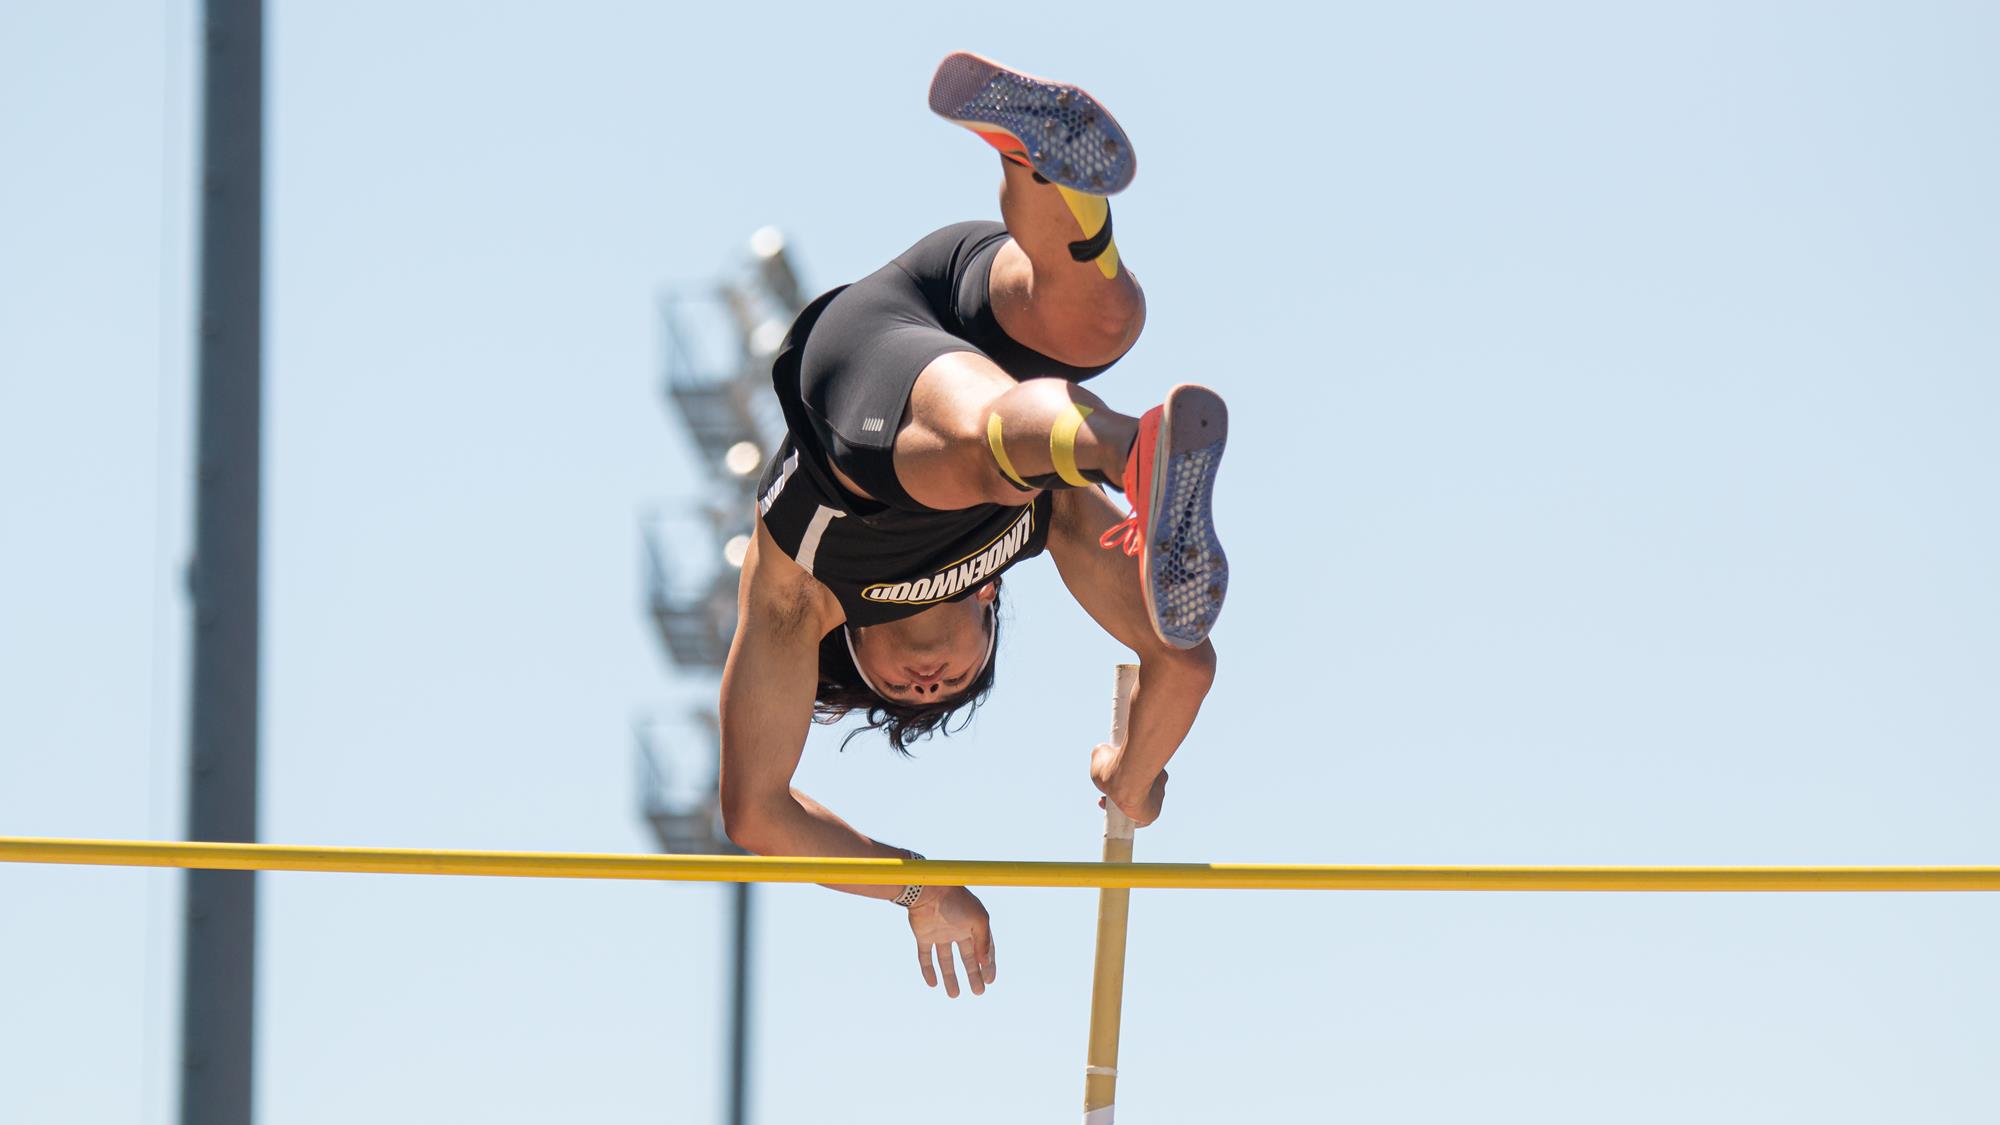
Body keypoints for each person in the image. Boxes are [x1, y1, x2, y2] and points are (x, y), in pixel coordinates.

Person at [718, 52, 1226, 999]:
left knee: (979, 443)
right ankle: (1047, 180)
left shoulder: (803, 597)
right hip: (967, 355)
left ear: (856, 650)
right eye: (952, 687)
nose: (927, 683)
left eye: (904, 694)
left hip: (864, 358)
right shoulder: (1046, 528)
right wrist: (1133, 779)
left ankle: (1126, 434)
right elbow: (1184, 659)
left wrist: (916, 883)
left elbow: (755, 810)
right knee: (1103, 327)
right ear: (989, 604)